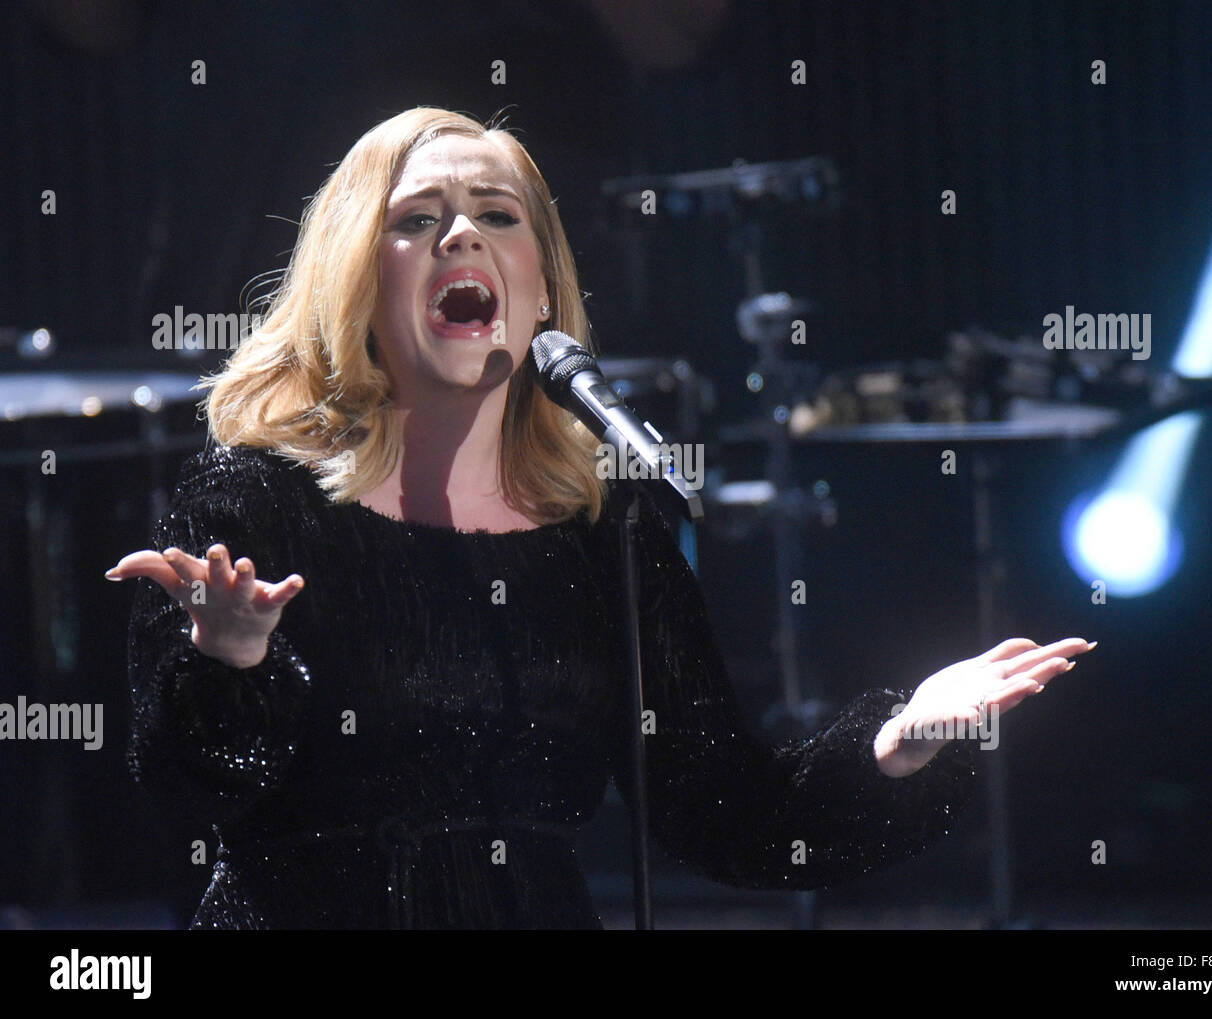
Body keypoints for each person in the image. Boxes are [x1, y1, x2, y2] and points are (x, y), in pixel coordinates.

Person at [105, 107, 1094, 929]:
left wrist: (900, 741)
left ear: (539, 287)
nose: (463, 236)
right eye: (418, 220)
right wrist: (229, 664)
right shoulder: (257, 491)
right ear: (357, 278)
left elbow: (728, 811)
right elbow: (188, 792)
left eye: (497, 214)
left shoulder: (596, 523)